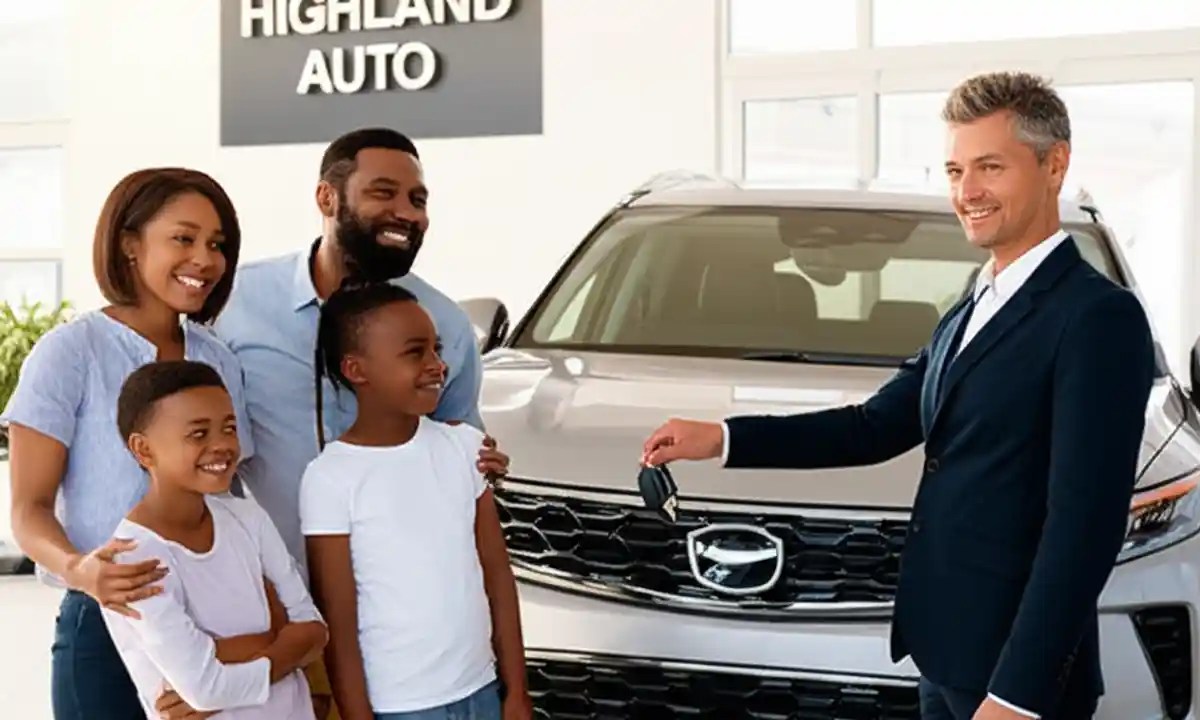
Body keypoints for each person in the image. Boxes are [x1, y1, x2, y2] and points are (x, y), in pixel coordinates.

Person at [640, 71, 1155, 720]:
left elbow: (1084, 528)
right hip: (946, 654)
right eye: (954, 170)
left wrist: (1018, 696)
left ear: (1055, 165)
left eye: (989, 167)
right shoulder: (975, 303)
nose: (966, 192)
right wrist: (722, 438)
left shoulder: (1096, 318)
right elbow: (873, 425)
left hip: (1013, 682)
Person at [2, 168, 256, 720]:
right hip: (106, 618)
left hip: (216, 617)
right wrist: (81, 570)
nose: (206, 260)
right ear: (129, 245)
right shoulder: (69, 353)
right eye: (183, 239)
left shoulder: (219, 360)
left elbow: (230, 497)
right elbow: (28, 509)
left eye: (217, 245)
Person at [299, 282, 531, 720]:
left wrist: (516, 689)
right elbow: (340, 620)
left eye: (436, 349)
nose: (436, 366)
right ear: (356, 369)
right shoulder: (330, 479)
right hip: (397, 707)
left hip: (482, 691)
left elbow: (498, 577)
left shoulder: (466, 448)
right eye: (414, 352)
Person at [101, 360, 329, 719]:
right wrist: (282, 642)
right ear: (144, 450)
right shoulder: (131, 560)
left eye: (229, 428)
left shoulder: (247, 517)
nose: (223, 445)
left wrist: (219, 660)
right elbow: (205, 688)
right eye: (198, 434)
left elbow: (314, 631)